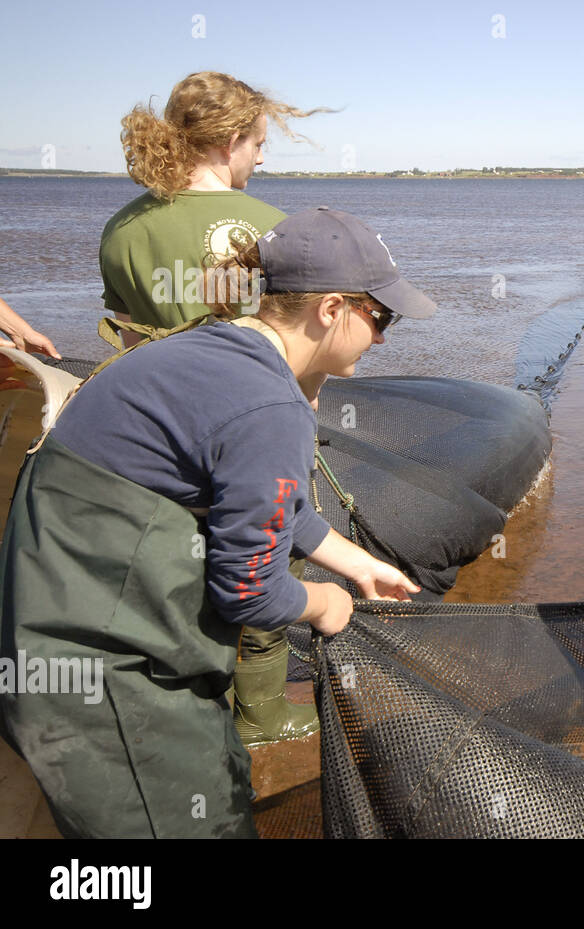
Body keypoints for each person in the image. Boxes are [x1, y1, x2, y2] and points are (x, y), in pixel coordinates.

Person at [0, 208, 434, 837]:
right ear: (332, 309)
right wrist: (325, 603)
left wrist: (358, 563)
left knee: (211, 774)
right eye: (381, 317)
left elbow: (264, 499)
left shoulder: (215, 347)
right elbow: (249, 589)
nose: (384, 338)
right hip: (102, 680)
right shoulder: (269, 407)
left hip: (50, 634)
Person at [101, 71, 331, 747]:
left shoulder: (123, 230)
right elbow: (299, 354)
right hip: (251, 429)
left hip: (158, 444)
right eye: (258, 143)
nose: (262, 158)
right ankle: (261, 713)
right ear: (231, 141)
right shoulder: (274, 228)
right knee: (265, 557)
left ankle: (187, 708)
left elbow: (131, 344)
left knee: (177, 569)